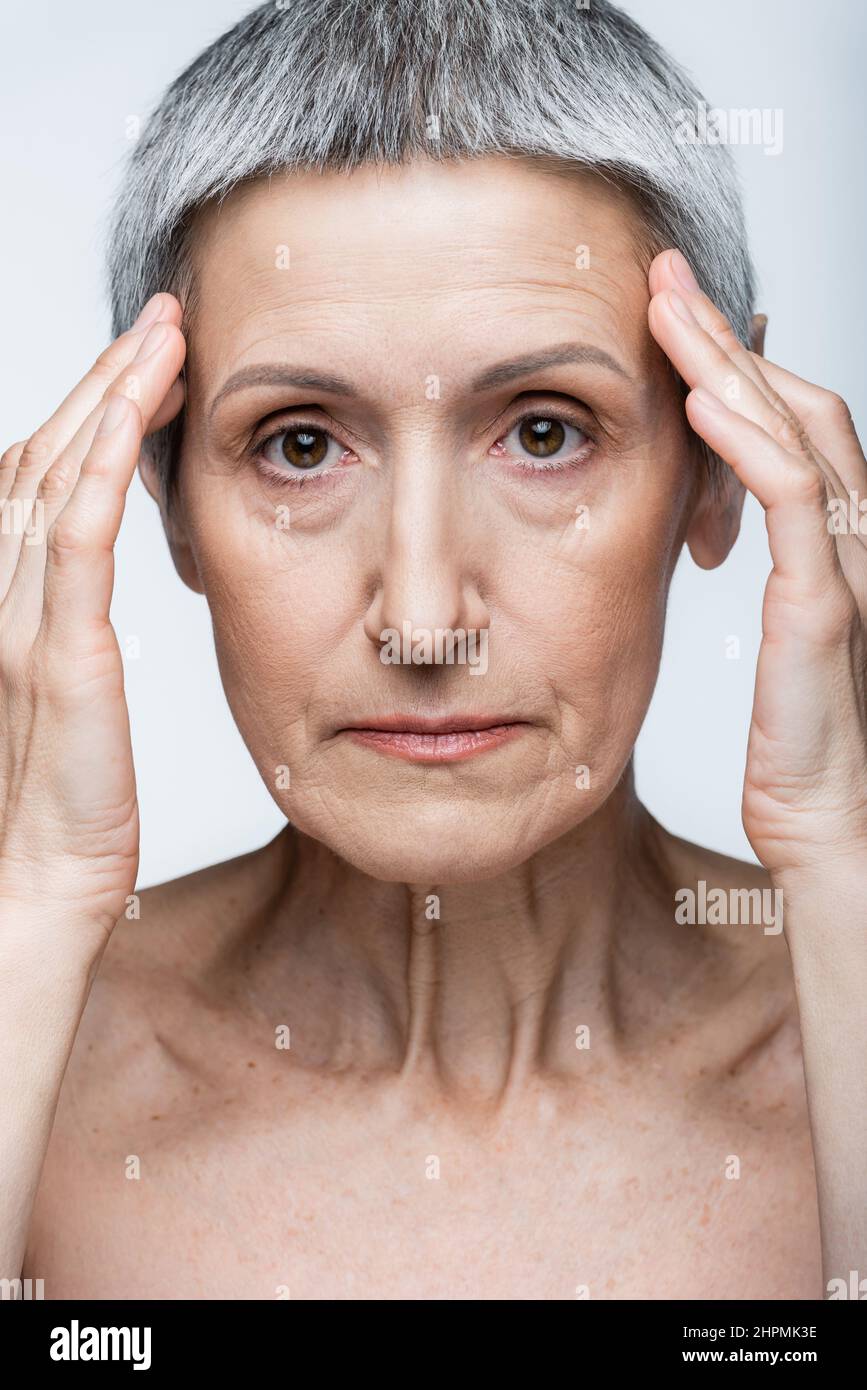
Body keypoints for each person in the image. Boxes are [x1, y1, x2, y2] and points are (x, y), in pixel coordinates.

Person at [2, 0, 864, 1299]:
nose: (420, 619)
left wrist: (846, 862)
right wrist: (31, 905)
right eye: (300, 443)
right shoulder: (39, 1055)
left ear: (725, 467)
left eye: (544, 431)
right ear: (161, 496)